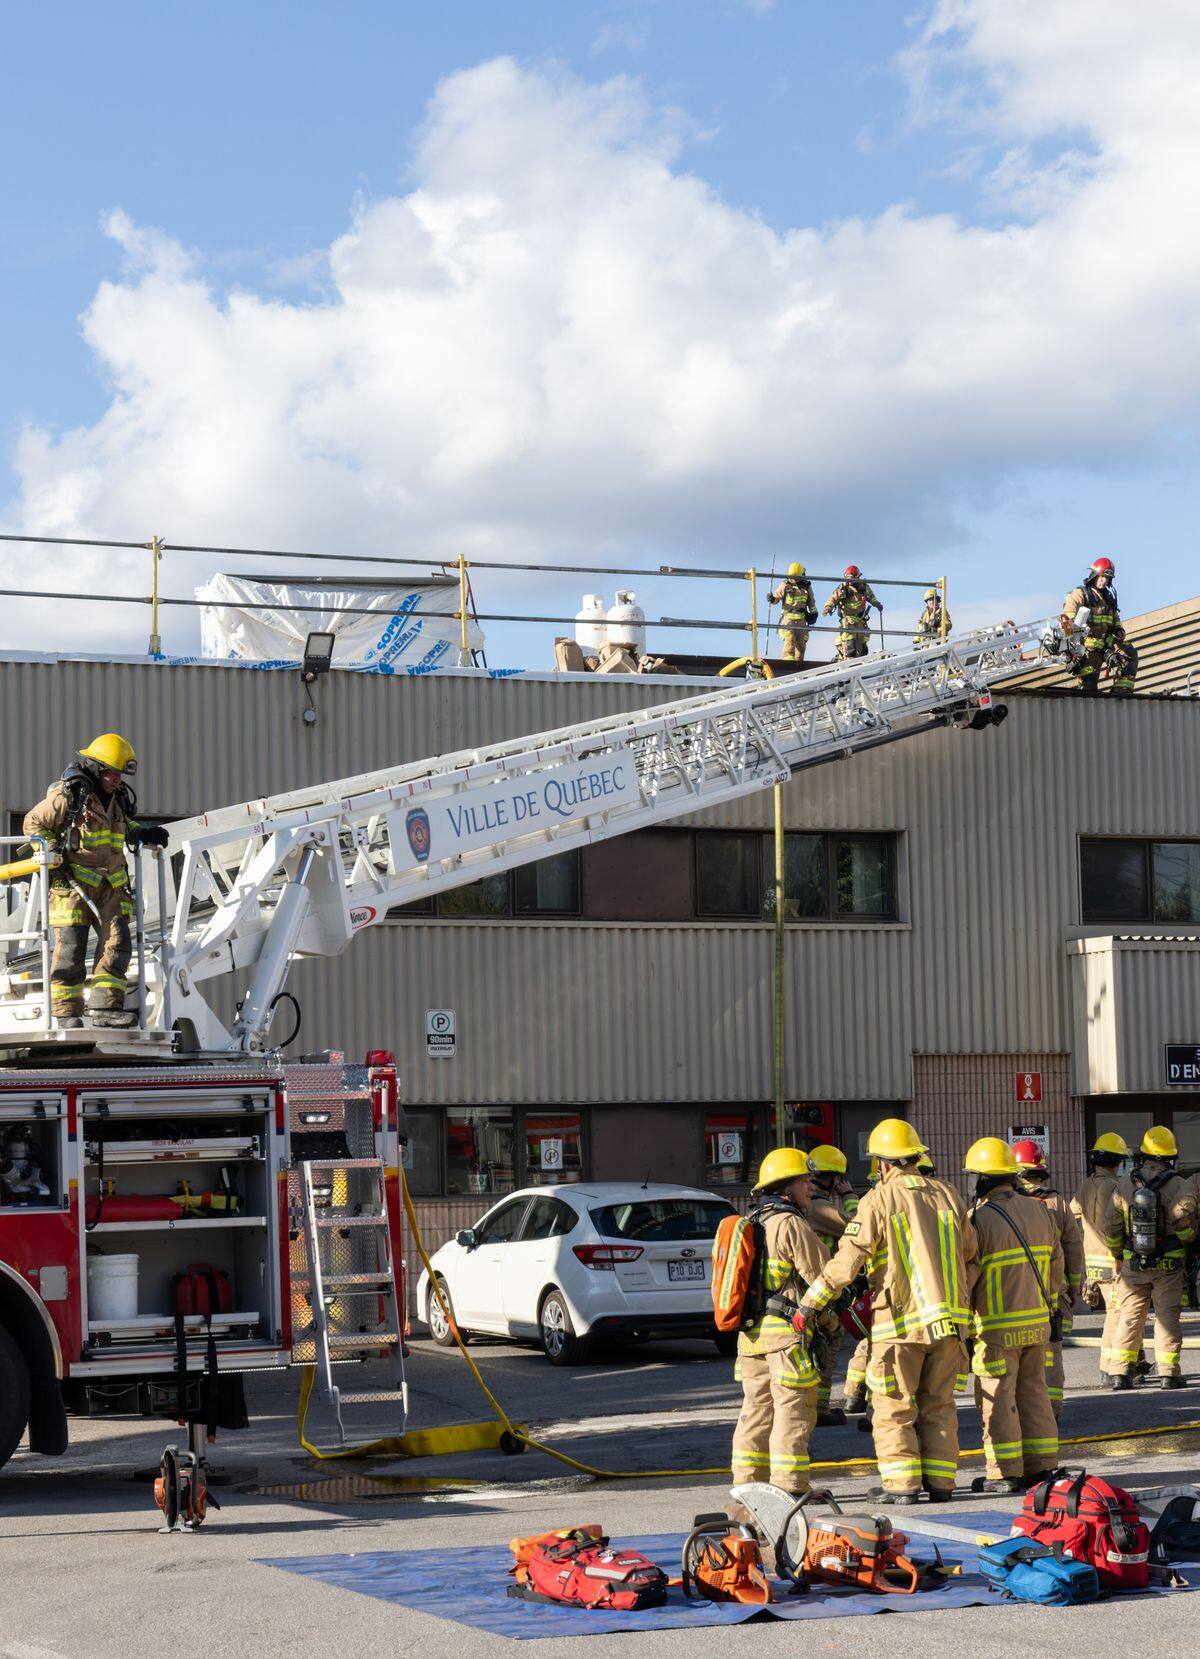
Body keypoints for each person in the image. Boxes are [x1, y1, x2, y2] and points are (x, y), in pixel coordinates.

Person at [793, 1119, 977, 1504]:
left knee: (894, 1406)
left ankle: (902, 1485)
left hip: (900, 1323)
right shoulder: (948, 1195)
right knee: (939, 1405)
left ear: (885, 1164)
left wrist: (810, 1302)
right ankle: (942, 1485)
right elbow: (970, 1256)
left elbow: (848, 1260)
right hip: (950, 1326)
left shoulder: (878, 1199)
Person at [23, 734, 169, 1029]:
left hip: (111, 888)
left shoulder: (118, 799)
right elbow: (33, 822)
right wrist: (50, 852)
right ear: (97, 767)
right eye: (112, 772)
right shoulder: (70, 796)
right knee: (70, 949)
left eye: (119, 774)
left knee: (118, 945)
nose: (116, 779)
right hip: (73, 887)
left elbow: (123, 827)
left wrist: (143, 832)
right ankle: (65, 1013)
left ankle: (106, 1008)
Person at [730, 1147, 831, 1496]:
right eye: (805, 1181)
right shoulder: (790, 1223)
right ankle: (789, 1488)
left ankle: (747, 1487)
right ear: (787, 1187)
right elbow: (823, 1275)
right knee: (793, 1412)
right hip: (785, 1339)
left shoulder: (755, 1220)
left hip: (751, 1339)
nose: (811, 1189)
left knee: (755, 1413)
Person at [965, 1138, 1064, 1495]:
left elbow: (968, 1276)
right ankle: (1043, 1468)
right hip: (1038, 1323)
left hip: (996, 1329)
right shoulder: (1040, 1210)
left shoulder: (979, 1219)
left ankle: (1004, 1472)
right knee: (1035, 1392)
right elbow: (1056, 1267)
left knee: (999, 1397)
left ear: (983, 1179)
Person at [1105, 1127, 1197, 1389]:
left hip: (1134, 1263)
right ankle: (1169, 1373)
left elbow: (1111, 1225)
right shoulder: (1181, 1184)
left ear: (1142, 1155)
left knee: (1130, 1316)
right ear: (1170, 1157)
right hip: (1169, 1265)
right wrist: (1191, 1240)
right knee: (1167, 1317)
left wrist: (1117, 1254)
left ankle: (1120, 1373)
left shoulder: (1124, 1183)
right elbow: (1184, 1220)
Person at [1011, 1140, 1084, 1419]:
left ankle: (1017, 1410)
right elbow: (1073, 1249)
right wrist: (1072, 1286)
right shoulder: (1057, 1203)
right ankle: (1050, 1412)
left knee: (1017, 1352)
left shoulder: (1002, 1204)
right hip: (1051, 1294)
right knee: (1050, 1352)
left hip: (1014, 1293)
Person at [804, 1143, 859, 1425]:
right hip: (820, 1288)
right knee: (828, 1341)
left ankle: (817, 1406)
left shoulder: (808, 1203)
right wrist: (849, 1195)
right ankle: (820, 1409)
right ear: (836, 1178)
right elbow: (859, 1224)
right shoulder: (820, 1207)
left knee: (819, 1343)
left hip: (811, 1285)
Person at [1071, 1132, 1131, 1384]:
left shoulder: (1085, 1186)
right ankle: (1110, 1369)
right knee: (1117, 1316)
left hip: (1093, 1262)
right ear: (1117, 1161)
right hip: (1113, 1261)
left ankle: (1126, 1362)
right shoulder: (1116, 1187)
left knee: (1114, 1313)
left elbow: (1073, 1214)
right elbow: (1126, 1221)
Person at [1060, 557, 1138, 696]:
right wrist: (1071, 648)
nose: (1104, 581)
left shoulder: (1109, 598)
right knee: (1089, 690)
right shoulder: (1080, 594)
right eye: (1101, 577)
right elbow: (1066, 617)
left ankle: (1122, 691)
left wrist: (1119, 630)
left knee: (1129, 652)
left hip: (1106, 645)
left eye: (1107, 578)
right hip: (1087, 650)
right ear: (1094, 575)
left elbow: (1116, 620)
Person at [822, 566, 881, 660]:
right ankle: (846, 659)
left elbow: (871, 596)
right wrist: (828, 607)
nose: (850, 580)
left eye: (852, 578)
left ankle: (845, 659)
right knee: (850, 643)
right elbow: (833, 598)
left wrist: (877, 604)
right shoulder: (843, 588)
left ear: (857, 577)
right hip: (848, 619)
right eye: (848, 578)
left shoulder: (864, 587)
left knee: (862, 647)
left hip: (860, 620)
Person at [768, 563, 818, 663]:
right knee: (789, 638)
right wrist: (772, 598)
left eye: (796, 577)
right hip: (788, 619)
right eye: (792, 577)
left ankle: (799, 663)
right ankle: (788, 660)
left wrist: (814, 614)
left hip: (801, 620)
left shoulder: (807, 587)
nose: (794, 579)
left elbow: (811, 602)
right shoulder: (785, 585)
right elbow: (777, 598)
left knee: (801, 644)